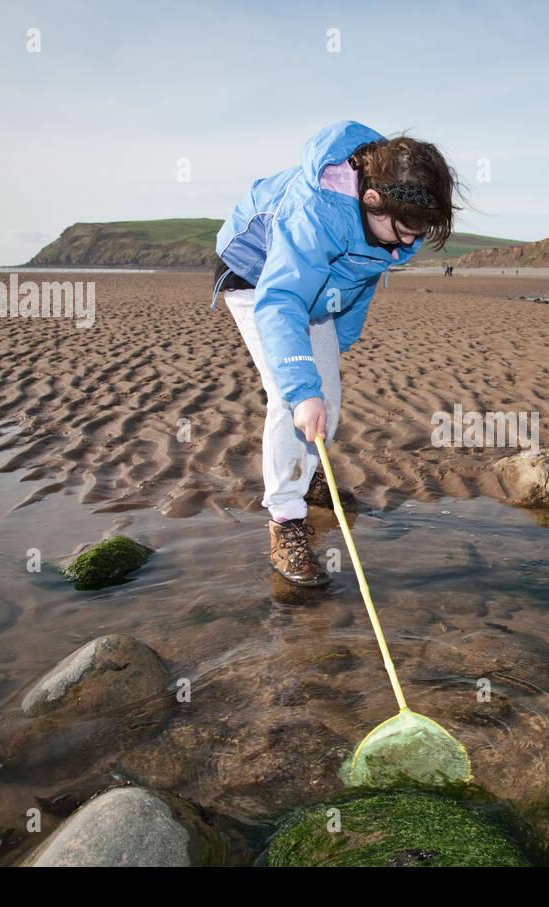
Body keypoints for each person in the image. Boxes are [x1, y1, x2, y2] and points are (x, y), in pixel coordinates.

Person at [211, 121, 462, 586]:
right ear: (370, 199)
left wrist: (336, 343)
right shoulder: (314, 213)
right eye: (404, 232)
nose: (408, 244)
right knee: (293, 403)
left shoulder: (394, 213)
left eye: (418, 235)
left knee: (326, 397)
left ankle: (310, 477)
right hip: (257, 273)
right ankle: (286, 521)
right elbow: (281, 300)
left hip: (316, 282)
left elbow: (361, 276)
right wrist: (304, 386)